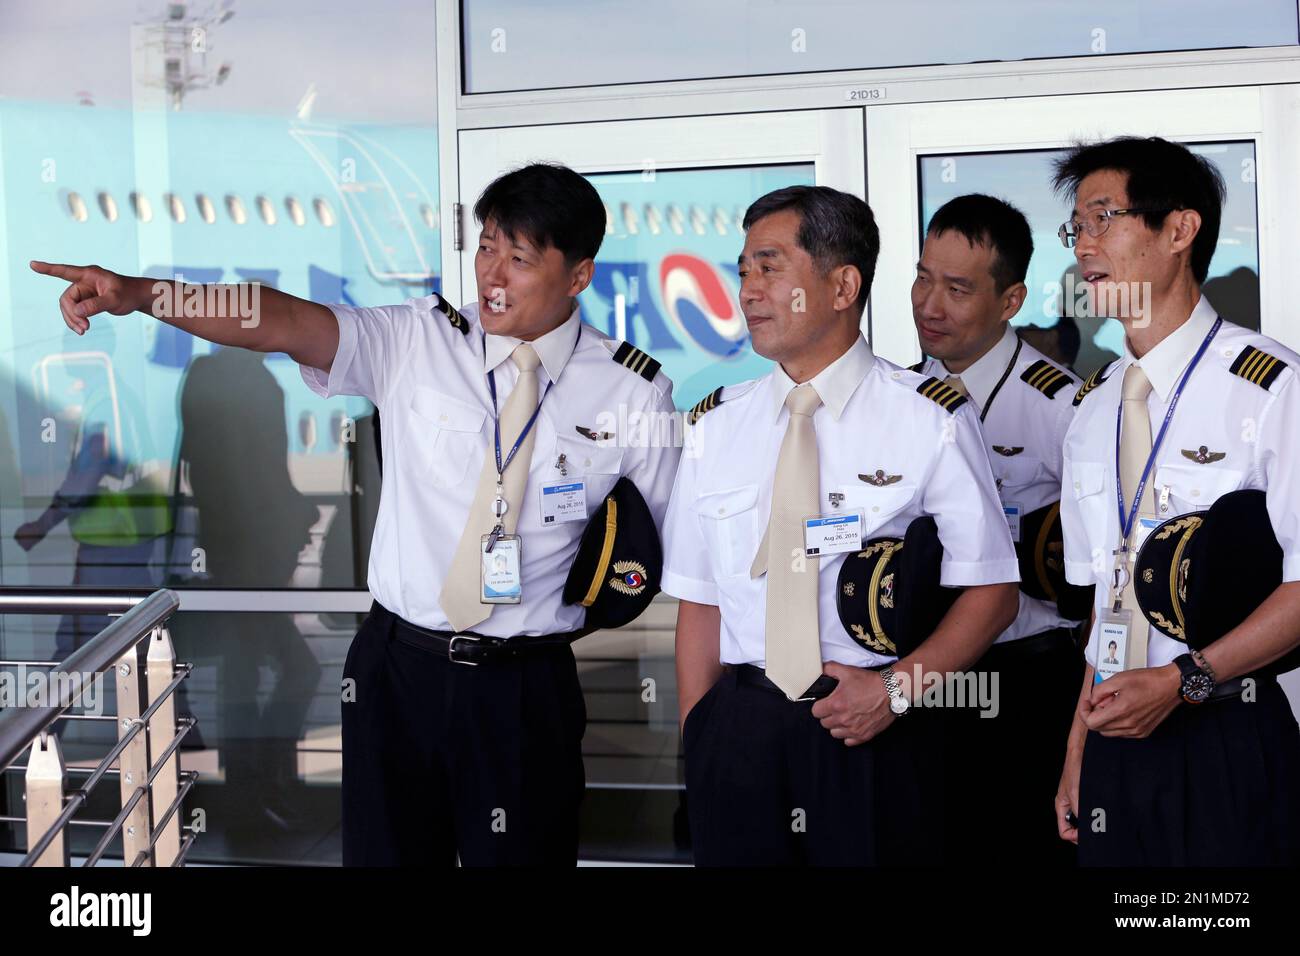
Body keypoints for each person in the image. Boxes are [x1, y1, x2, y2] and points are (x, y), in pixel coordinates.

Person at [30, 161, 682, 867]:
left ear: (578, 275)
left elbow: (658, 553)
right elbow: (279, 320)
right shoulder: (417, 340)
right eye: (487, 247)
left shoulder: (634, 392)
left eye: (519, 259)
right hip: (398, 672)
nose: (492, 274)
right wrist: (140, 294)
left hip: (526, 687)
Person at [662, 185, 1020, 866]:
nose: (748, 291)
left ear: (842, 286)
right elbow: (700, 601)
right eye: (743, 270)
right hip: (741, 732)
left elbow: (994, 591)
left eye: (770, 268)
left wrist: (896, 690)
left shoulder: (930, 415)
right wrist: (700, 737)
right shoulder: (716, 423)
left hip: (870, 725)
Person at [1053, 136, 1300, 866]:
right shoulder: (1093, 406)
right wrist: (1078, 744)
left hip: (1224, 730)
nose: (1084, 246)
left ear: (1180, 230)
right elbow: (1106, 598)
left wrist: (1184, 680)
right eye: (1076, 227)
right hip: (1115, 737)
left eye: (1104, 218)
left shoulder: (1269, 388)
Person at [910, 193, 1086, 867]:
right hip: (919, 675)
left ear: (1011, 300)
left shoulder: (1060, 406)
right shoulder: (896, 395)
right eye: (923, 278)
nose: (930, 305)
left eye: (957, 289)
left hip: (1024, 682)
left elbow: (1105, 566)